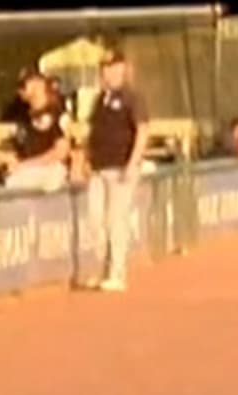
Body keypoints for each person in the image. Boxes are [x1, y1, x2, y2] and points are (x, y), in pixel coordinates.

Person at [83, 49, 149, 292]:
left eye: (113, 67)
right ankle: (102, 269)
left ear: (123, 69)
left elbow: (142, 131)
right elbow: (93, 131)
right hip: (99, 167)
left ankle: (117, 273)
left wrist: (132, 164)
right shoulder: (99, 98)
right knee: (94, 218)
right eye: (105, 68)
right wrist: (87, 159)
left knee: (116, 220)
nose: (108, 72)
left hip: (121, 167)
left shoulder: (132, 97)